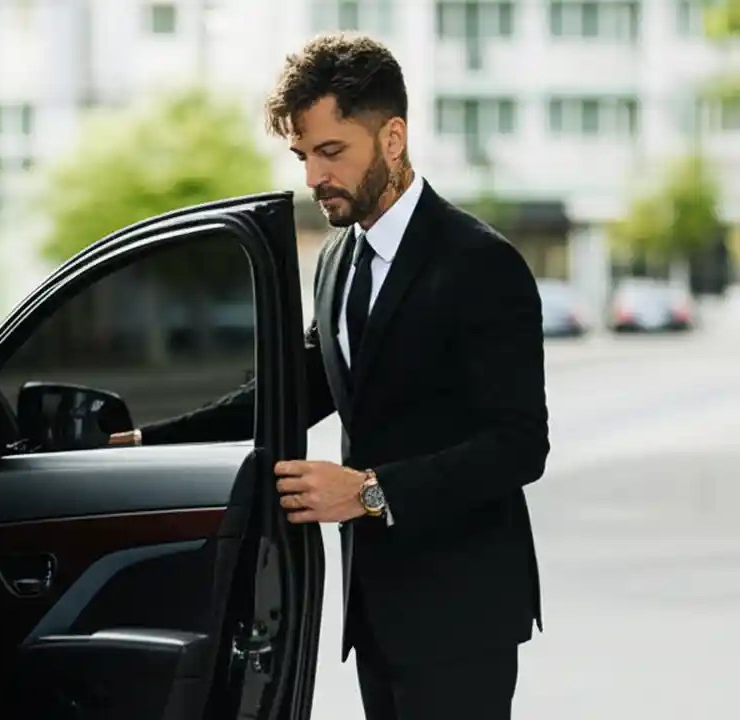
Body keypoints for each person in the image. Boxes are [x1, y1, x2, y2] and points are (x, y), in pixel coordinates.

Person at [110, 32, 548, 720]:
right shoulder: (337, 261)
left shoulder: (480, 264)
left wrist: (369, 493)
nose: (314, 176)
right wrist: (144, 442)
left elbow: (520, 446)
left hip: (464, 614)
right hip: (375, 610)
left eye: (331, 151)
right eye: (303, 156)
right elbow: (293, 390)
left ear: (393, 138)